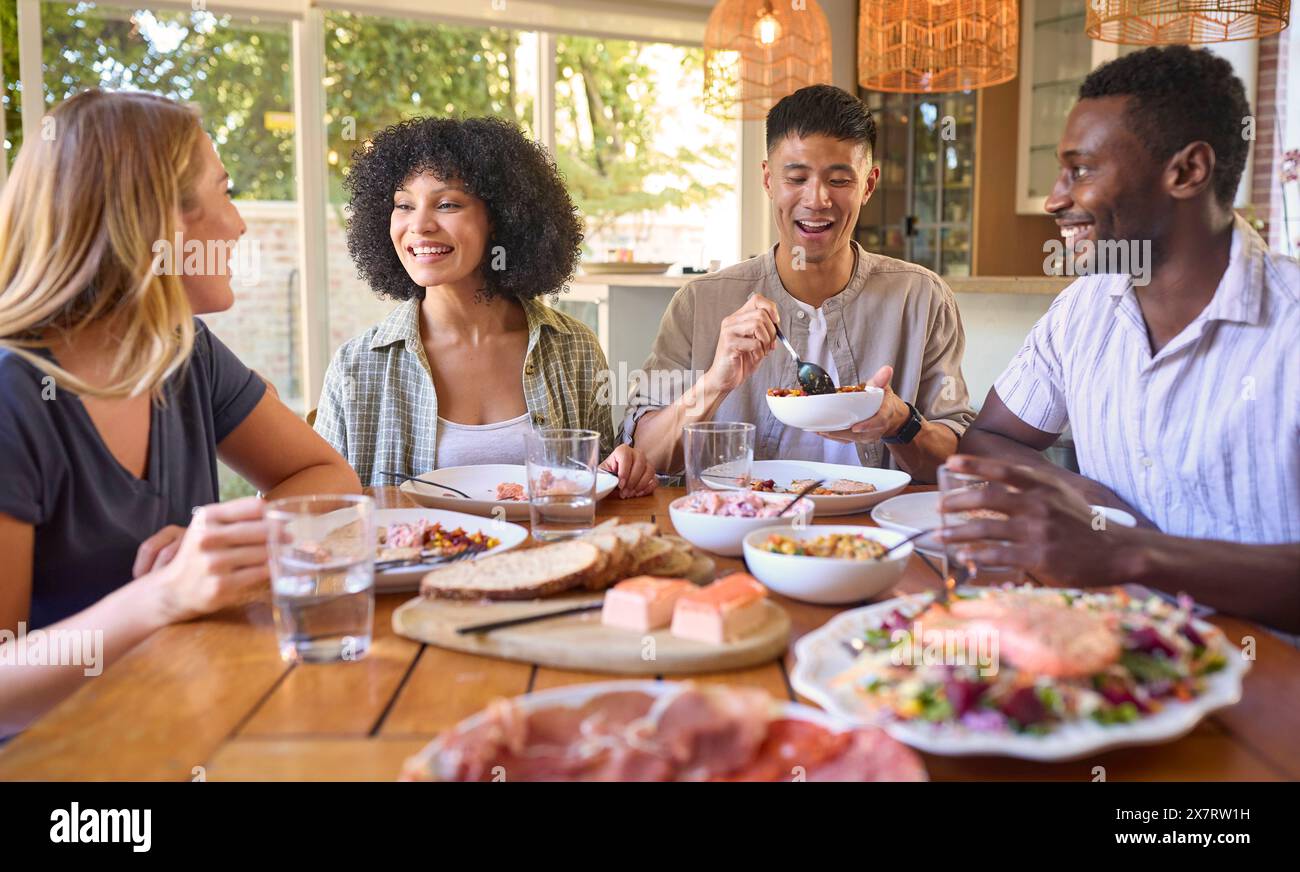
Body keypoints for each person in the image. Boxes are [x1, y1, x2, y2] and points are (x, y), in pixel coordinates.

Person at [0, 90, 362, 735]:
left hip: (188, 712)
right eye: (224, 192)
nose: (240, 224)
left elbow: (328, 479)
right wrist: (161, 597)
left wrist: (223, 542)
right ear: (159, 223)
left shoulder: (184, 349)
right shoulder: (13, 399)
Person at [950, 46, 1299, 633]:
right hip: (1115, 652)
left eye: (1080, 170)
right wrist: (1085, 497)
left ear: (1186, 171)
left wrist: (1127, 550)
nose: (1055, 199)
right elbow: (985, 439)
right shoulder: (1082, 310)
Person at [622, 84, 973, 482]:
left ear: (869, 185)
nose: (817, 199)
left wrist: (901, 422)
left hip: (876, 536)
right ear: (769, 180)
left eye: (839, 180)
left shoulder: (922, 298)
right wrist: (715, 382)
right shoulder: (699, 303)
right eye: (796, 178)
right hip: (736, 531)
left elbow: (956, 460)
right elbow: (643, 457)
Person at [314, 116, 656, 497]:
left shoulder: (572, 347)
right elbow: (317, 502)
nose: (420, 224)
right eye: (403, 205)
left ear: (500, 218)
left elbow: (596, 486)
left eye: (446, 204)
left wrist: (622, 468)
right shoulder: (356, 367)